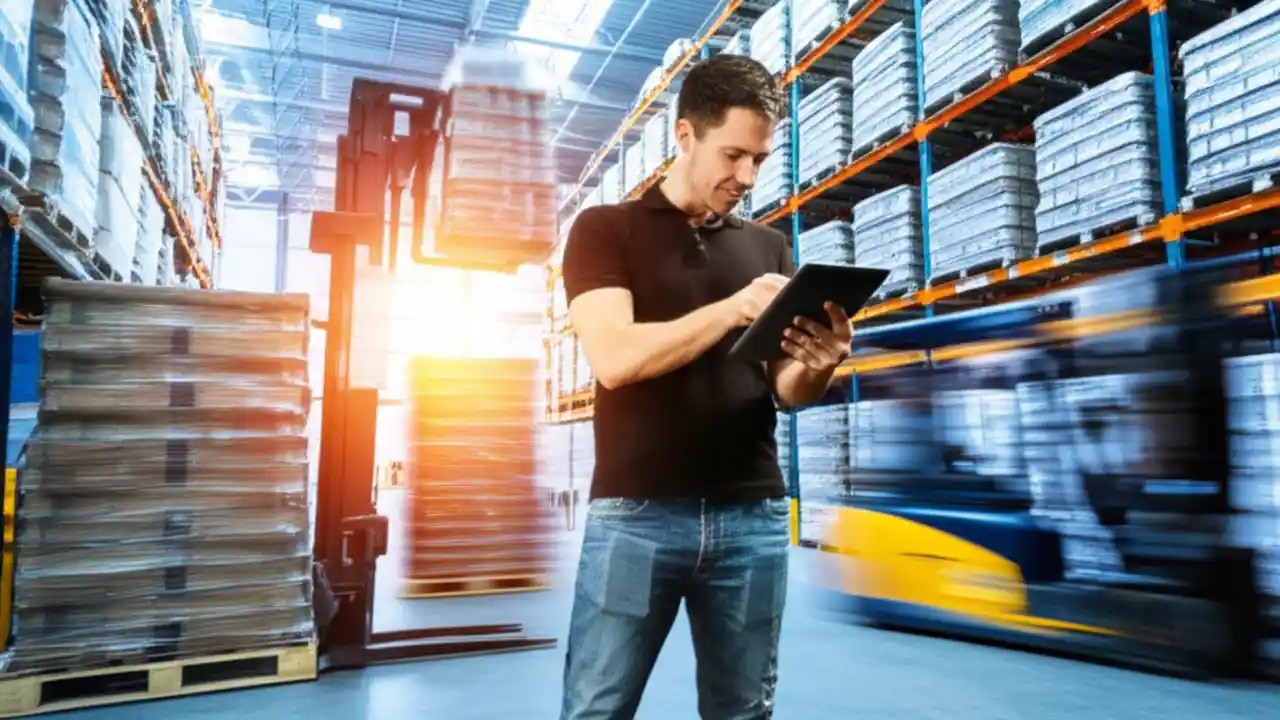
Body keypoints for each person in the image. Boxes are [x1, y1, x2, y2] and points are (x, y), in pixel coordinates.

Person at [558, 54, 853, 720]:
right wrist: (731, 310)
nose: (747, 176)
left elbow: (786, 390)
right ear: (685, 135)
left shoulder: (770, 248)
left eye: (759, 158)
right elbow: (615, 359)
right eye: (733, 155)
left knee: (744, 711)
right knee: (596, 708)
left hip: (752, 516)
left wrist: (823, 359)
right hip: (637, 517)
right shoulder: (606, 231)